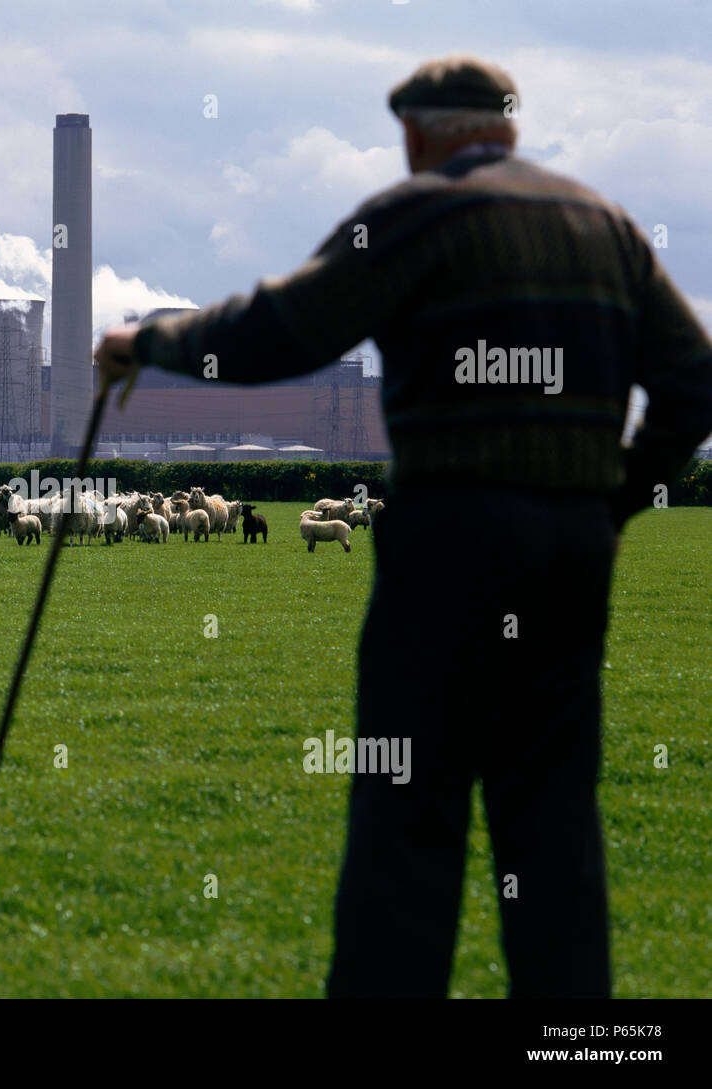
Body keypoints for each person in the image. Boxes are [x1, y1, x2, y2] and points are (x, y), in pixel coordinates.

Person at [94, 55, 712, 998]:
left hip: (447, 553)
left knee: (406, 819)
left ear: (421, 132)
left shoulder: (417, 214)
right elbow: (694, 380)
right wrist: (615, 498)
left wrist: (154, 340)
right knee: (553, 826)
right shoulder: (606, 225)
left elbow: (280, 329)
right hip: (567, 561)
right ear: (506, 125)